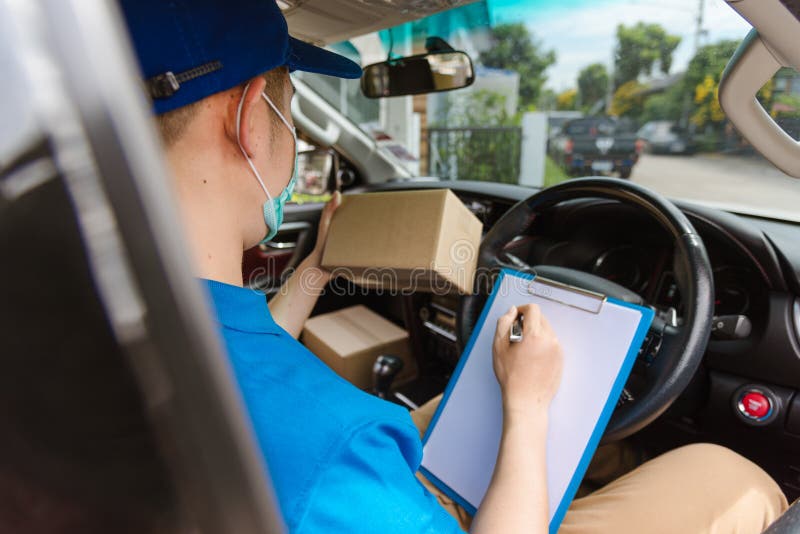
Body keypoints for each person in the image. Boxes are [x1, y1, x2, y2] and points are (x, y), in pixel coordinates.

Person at [121, 0, 788, 532]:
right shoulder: (337, 445)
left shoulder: (106, 323)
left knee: (519, 425)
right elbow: (316, 436)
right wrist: (527, 410)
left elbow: (235, 369)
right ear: (245, 119)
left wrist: (319, 268)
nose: (291, 135)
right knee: (725, 471)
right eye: (290, 106)